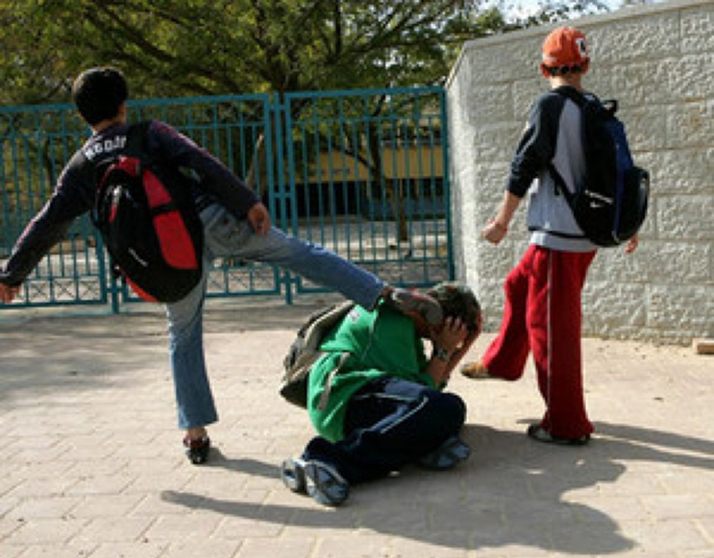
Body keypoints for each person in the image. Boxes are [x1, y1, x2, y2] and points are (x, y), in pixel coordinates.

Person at [0, 66, 444, 464]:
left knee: (183, 334)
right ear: (123, 104)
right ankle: (380, 292)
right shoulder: (150, 132)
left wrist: (12, 274)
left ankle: (194, 432)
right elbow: (201, 162)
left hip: (169, 261)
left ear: (84, 115)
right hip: (212, 222)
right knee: (299, 253)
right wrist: (246, 200)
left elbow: (48, 221)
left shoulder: (83, 164)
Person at [460, 27, 638, 446]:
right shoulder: (595, 108)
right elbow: (623, 170)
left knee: (553, 333)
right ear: (586, 66)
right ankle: (503, 361)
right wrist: (629, 225)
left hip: (559, 238)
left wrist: (501, 221)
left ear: (544, 68)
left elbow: (524, 166)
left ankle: (566, 424)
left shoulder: (549, 107)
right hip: (584, 234)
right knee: (517, 285)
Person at [281, 282, 481, 506]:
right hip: (344, 397)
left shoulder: (406, 325)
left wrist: (459, 347)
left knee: (450, 406)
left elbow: (426, 388)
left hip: (358, 397)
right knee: (441, 408)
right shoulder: (392, 321)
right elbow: (423, 396)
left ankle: (419, 446)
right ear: (443, 322)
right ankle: (327, 460)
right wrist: (444, 350)